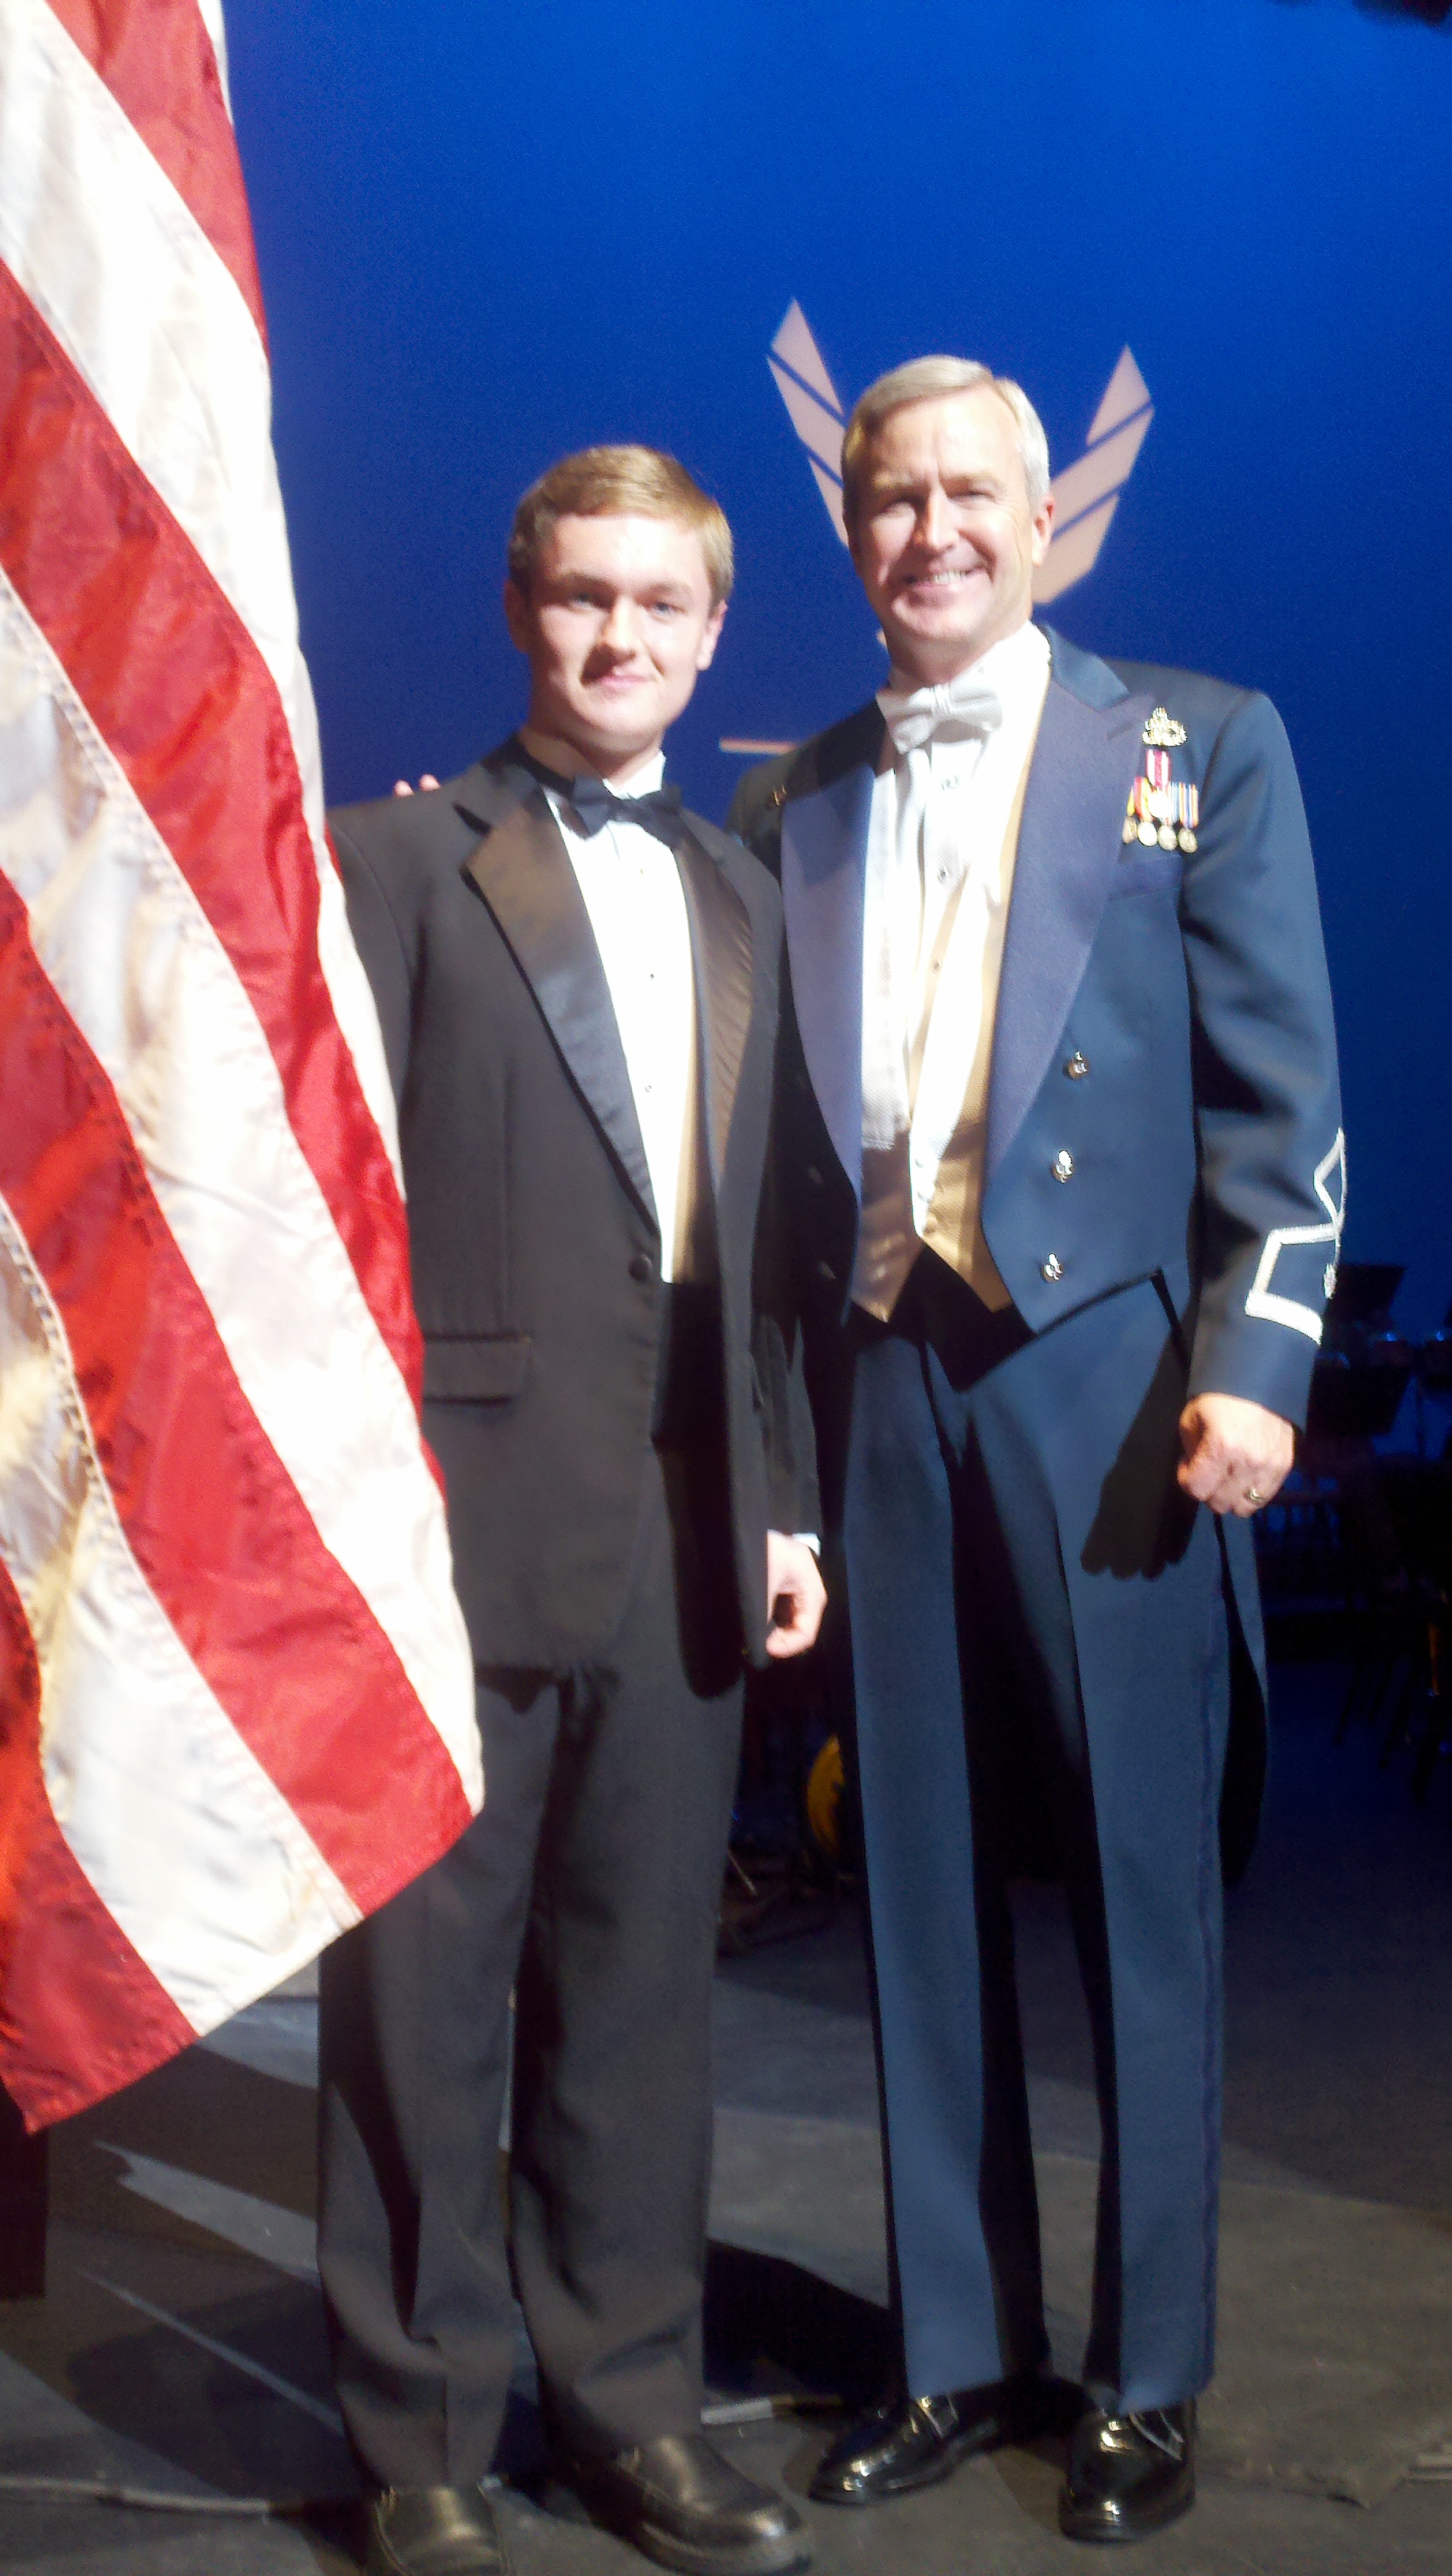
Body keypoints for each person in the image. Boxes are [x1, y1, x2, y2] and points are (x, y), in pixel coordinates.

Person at [729, 359, 1342, 2546]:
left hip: (1111, 1394)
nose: (936, 532)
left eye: (974, 491)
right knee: (909, 1888)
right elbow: (766, 1161)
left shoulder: (1198, 741)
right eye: (894, 499)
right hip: (888, 1375)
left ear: (1044, 514)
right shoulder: (794, 792)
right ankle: (956, 2348)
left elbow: (1284, 1101)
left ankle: (1146, 2375)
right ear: (851, 526)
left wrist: (1256, 1360)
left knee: (1141, 1901)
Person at [320, 446, 823, 2576]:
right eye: (583, 599)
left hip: (688, 1513)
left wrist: (782, 1503)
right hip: (449, 1510)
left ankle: (629, 2408)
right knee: (426, 1996)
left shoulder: (740, 890)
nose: (620, 638)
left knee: (636, 1997)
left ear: (715, 637)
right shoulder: (395, 862)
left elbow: (769, 1246)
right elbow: (316, 1217)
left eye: (661, 606)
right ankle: (422, 2433)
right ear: (523, 610)